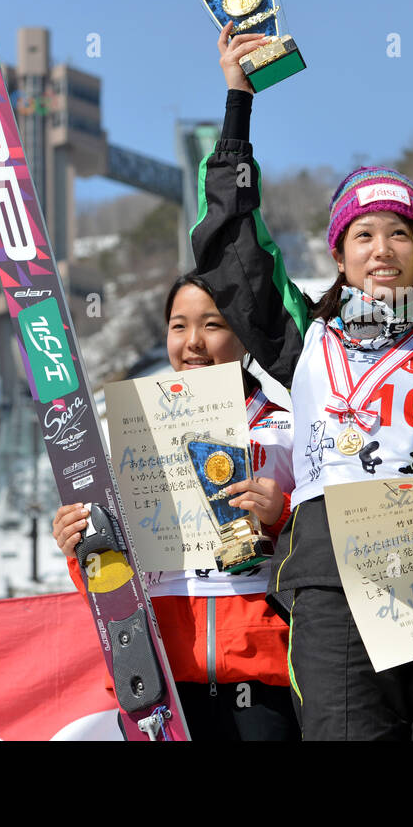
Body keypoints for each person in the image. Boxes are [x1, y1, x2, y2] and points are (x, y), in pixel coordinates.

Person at [187, 21, 413, 740]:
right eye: (364, 235)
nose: (383, 250)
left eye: (401, 233)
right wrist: (237, 106)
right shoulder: (307, 336)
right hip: (334, 582)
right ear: (341, 257)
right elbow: (231, 250)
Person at [52, 272, 299, 741]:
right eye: (178, 326)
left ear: (244, 333)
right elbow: (107, 582)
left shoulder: (284, 431)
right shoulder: (131, 433)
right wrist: (78, 545)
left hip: (263, 670)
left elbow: (319, 548)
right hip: (160, 673)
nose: (193, 343)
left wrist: (282, 513)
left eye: (213, 325)